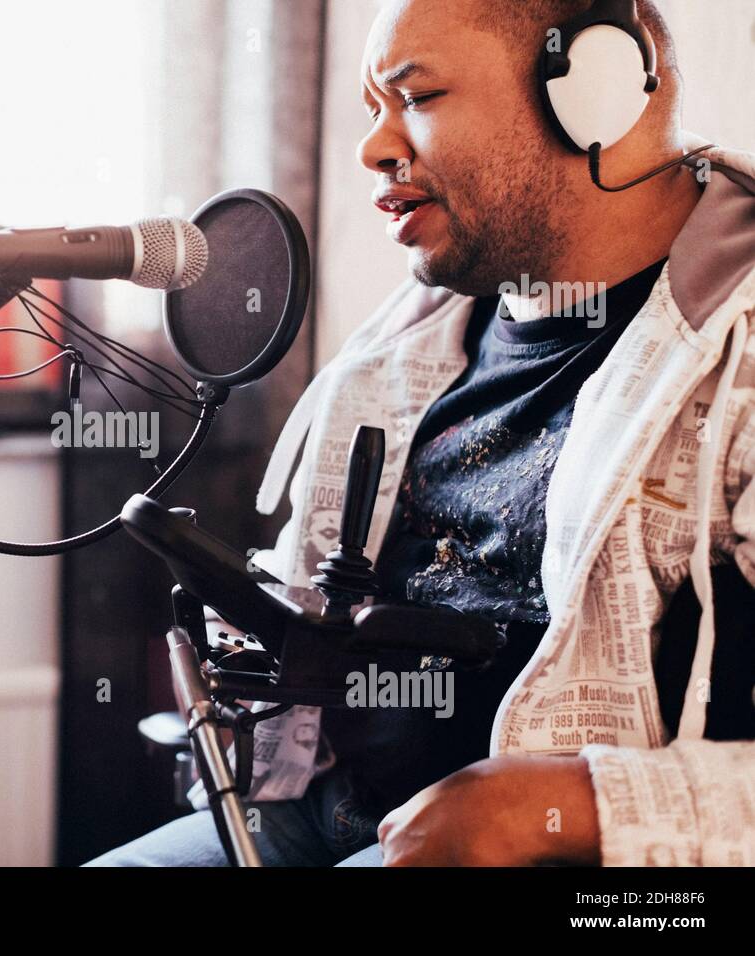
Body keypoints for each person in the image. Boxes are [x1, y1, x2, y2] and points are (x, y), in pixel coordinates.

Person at [90, 0, 755, 867]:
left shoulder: (737, 349)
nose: (373, 148)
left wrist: (567, 808)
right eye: (373, 107)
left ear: (598, 90)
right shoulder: (401, 347)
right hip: (322, 812)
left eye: (420, 95)